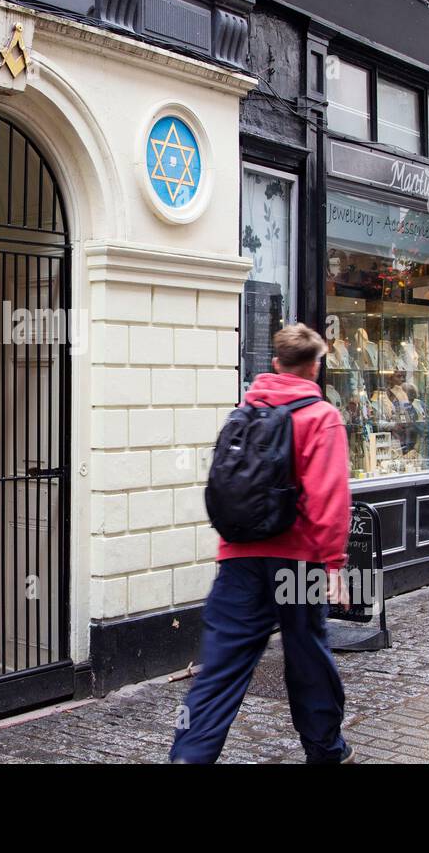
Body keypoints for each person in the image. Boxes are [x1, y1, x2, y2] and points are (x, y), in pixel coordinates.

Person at [170, 323, 354, 764]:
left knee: (221, 666)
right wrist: (334, 564)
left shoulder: (244, 409)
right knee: (307, 655)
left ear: (275, 364)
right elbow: (329, 496)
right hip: (300, 561)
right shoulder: (320, 416)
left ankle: (188, 756)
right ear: (314, 366)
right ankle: (326, 750)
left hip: (240, 559)